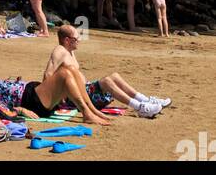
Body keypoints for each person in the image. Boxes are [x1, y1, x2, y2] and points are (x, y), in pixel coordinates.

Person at [21, 22, 170, 123]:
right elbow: (48, 74)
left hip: (86, 91)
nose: (79, 40)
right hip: (78, 96)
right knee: (106, 81)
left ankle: (145, 100)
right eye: (76, 38)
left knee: (114, 76)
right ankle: (140, 108)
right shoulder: (59, 50)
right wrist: (59, 97)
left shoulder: (70, 51)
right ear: (67, 40)